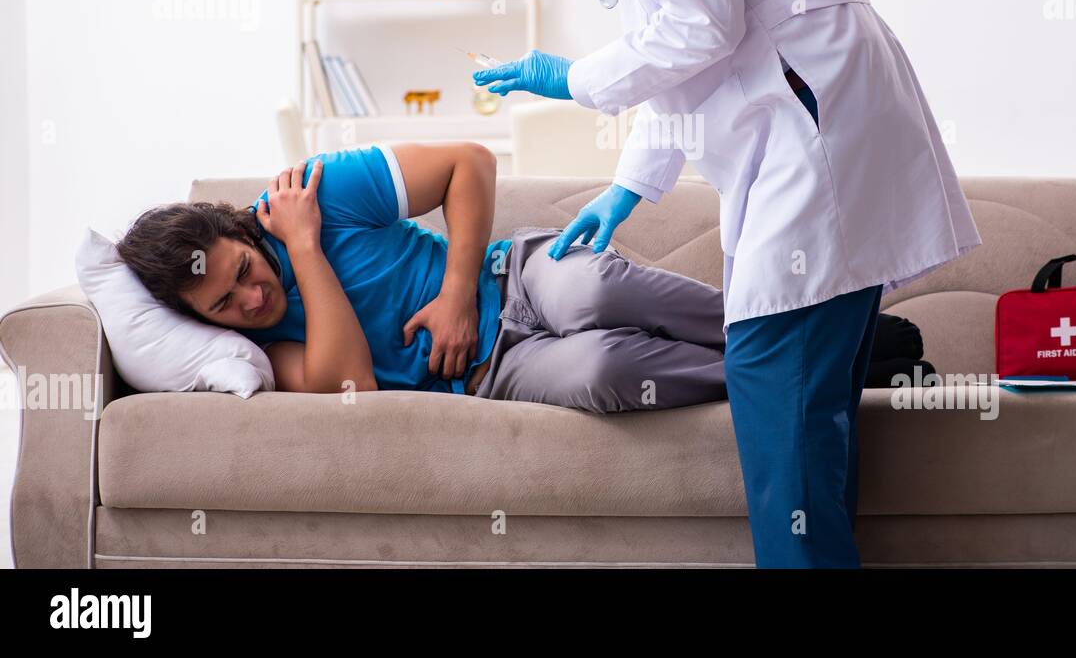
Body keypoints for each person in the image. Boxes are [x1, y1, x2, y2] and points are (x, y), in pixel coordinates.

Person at [468, 0, 983, 567]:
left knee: (773, 374)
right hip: (804, 125)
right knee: (805, 405)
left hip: (815, 131)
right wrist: (630, 183)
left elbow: (699, 28)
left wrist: (568, 80)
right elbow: (681, 51)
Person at [116, 141, 733, 409]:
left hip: (512, 277)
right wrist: (304, 248)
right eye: (224, 303)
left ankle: (769, 327)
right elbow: (350, 382)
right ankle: (768, 371)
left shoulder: (317, 187)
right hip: (494, 373)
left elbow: (470, 163)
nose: (253, 299)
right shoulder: (250, 352)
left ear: (241, 229)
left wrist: (456, 298)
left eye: (245, 270)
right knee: (605, 369)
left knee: (592, 292)